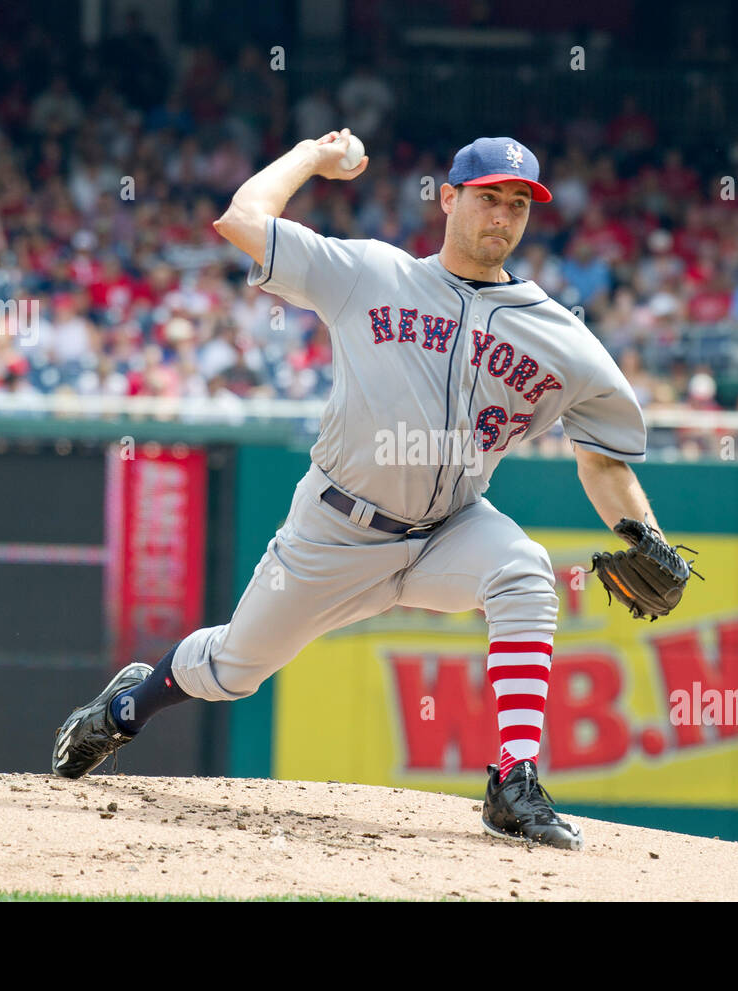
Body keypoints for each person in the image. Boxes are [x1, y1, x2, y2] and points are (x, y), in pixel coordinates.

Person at [52, 132, 671, 851]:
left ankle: (514, 777)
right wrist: (312, 157)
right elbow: (242, 219)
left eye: (516, 203)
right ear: (448, 198)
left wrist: (646, 534)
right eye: (486, 198)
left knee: (526, 573)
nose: (501, 215)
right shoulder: (370, 273)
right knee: (232, 669)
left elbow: (603, 461)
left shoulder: (562, 338)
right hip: (337, 528)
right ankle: (126, 706)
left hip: (450, 527)